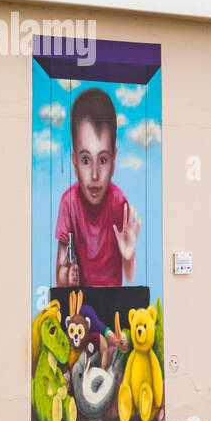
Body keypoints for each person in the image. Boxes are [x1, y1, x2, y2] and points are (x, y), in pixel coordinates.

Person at [55, 87, 140, 287]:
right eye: (86, 159)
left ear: (114, 160)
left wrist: (128, 256)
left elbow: (130, 277)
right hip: (79, 309)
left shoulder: (119, 202)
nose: (94, 174)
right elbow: (59, 276)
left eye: (102, 159)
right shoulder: (69, 203)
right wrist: (66, 274)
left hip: (113, 306)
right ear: (74, 161)